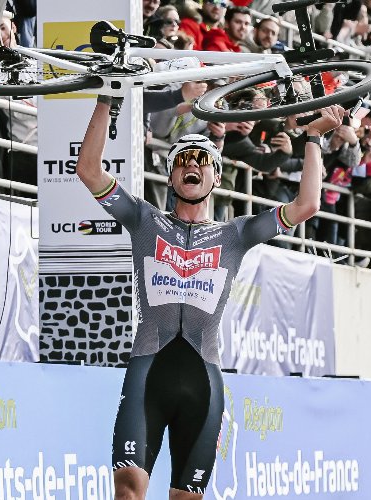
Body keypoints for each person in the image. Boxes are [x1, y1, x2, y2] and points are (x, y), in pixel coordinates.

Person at [74, 95, 348, 499]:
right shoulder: (144, 220)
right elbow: (88, 170)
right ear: (170, 178)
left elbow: (306, 205)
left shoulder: (235, 234)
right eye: (183, 161)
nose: (192, 166)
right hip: (148, 373)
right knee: (128, 491)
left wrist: (312, 138)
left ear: (216, 178)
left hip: (204, 381)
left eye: (202, 162)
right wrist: (105, 100)